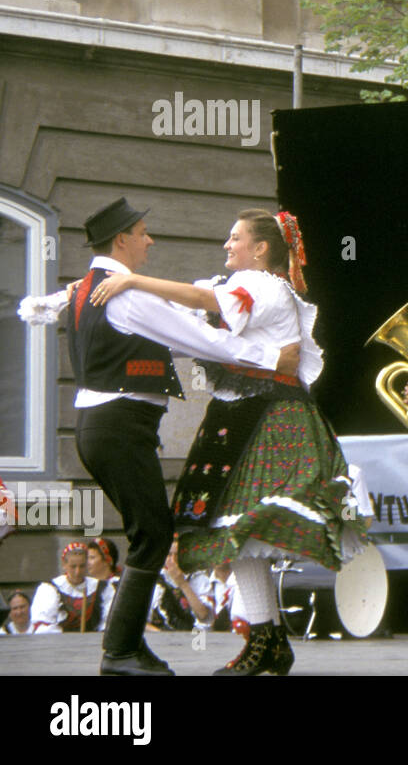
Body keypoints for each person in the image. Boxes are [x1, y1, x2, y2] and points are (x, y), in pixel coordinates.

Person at [18, 197, 298, 673]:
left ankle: (127, 650)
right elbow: (197, 340)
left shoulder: (91, 286)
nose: (149, 241)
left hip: (103, 427)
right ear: (122, 239)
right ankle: (121, 652)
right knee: (152, 533)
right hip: (119, 425)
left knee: (148, 531)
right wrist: (272, 360)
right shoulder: (124, 293)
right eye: (143, 232)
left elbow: (172, 327)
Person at [89, 207, 365, 675]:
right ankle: (268, 641)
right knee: (237, 535)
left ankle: (268, 643)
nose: (227, 245)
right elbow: (188, 310)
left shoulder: (264, 285)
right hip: (242, 415)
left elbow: (206, 301)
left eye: (235, 238)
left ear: (260, 248)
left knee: (242, 528)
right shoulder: (245, 285)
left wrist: (134, 281)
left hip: (270, 416)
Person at [30, 542, 105, 633]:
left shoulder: (99, 587)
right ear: (64, 565)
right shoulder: (51, 588)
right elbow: (43, 626)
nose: (77, 572)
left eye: (82, 566)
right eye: (73, 567)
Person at [85, 537, 122, 622]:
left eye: (92, 558)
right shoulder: (86, 585)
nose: (88, 562)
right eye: (87, 558)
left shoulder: (118, 586)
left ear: (107, 561)